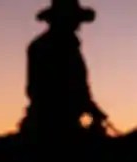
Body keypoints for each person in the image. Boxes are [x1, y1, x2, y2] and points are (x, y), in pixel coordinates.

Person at [20, 0, 108, 146]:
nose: (78, 26)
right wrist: (86, 108)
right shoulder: (44, 47)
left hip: (63, 116)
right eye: (74, 20)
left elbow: (81, 88)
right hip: (51, 120)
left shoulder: (51, 46)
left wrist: (92, 108)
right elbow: (45, 89)